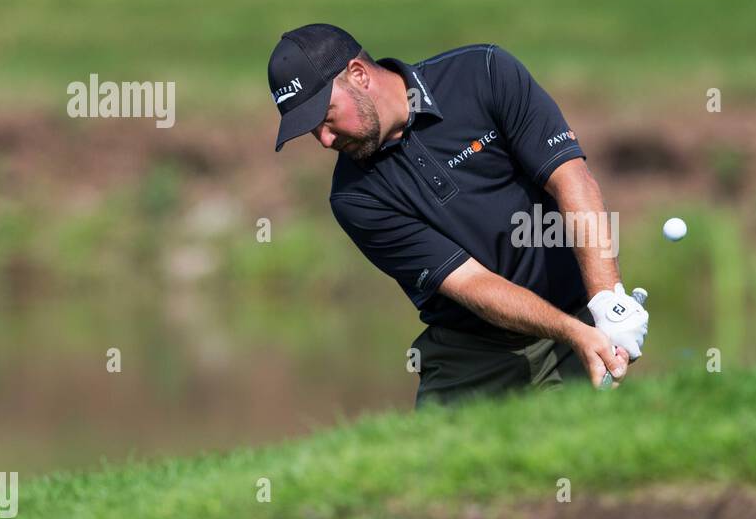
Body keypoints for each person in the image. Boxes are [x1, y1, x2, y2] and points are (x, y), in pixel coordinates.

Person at [267, 23, 648, 407]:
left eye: (325, 116)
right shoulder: (354, 197)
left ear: (360, 75)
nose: (326, 140)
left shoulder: (482, 74)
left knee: (596, 459)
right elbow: (471, 283)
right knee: (434, 466)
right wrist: (575, 332)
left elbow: (571, 179)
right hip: (471, 355)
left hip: (577, 314)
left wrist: (607, 302)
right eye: (312, 131)